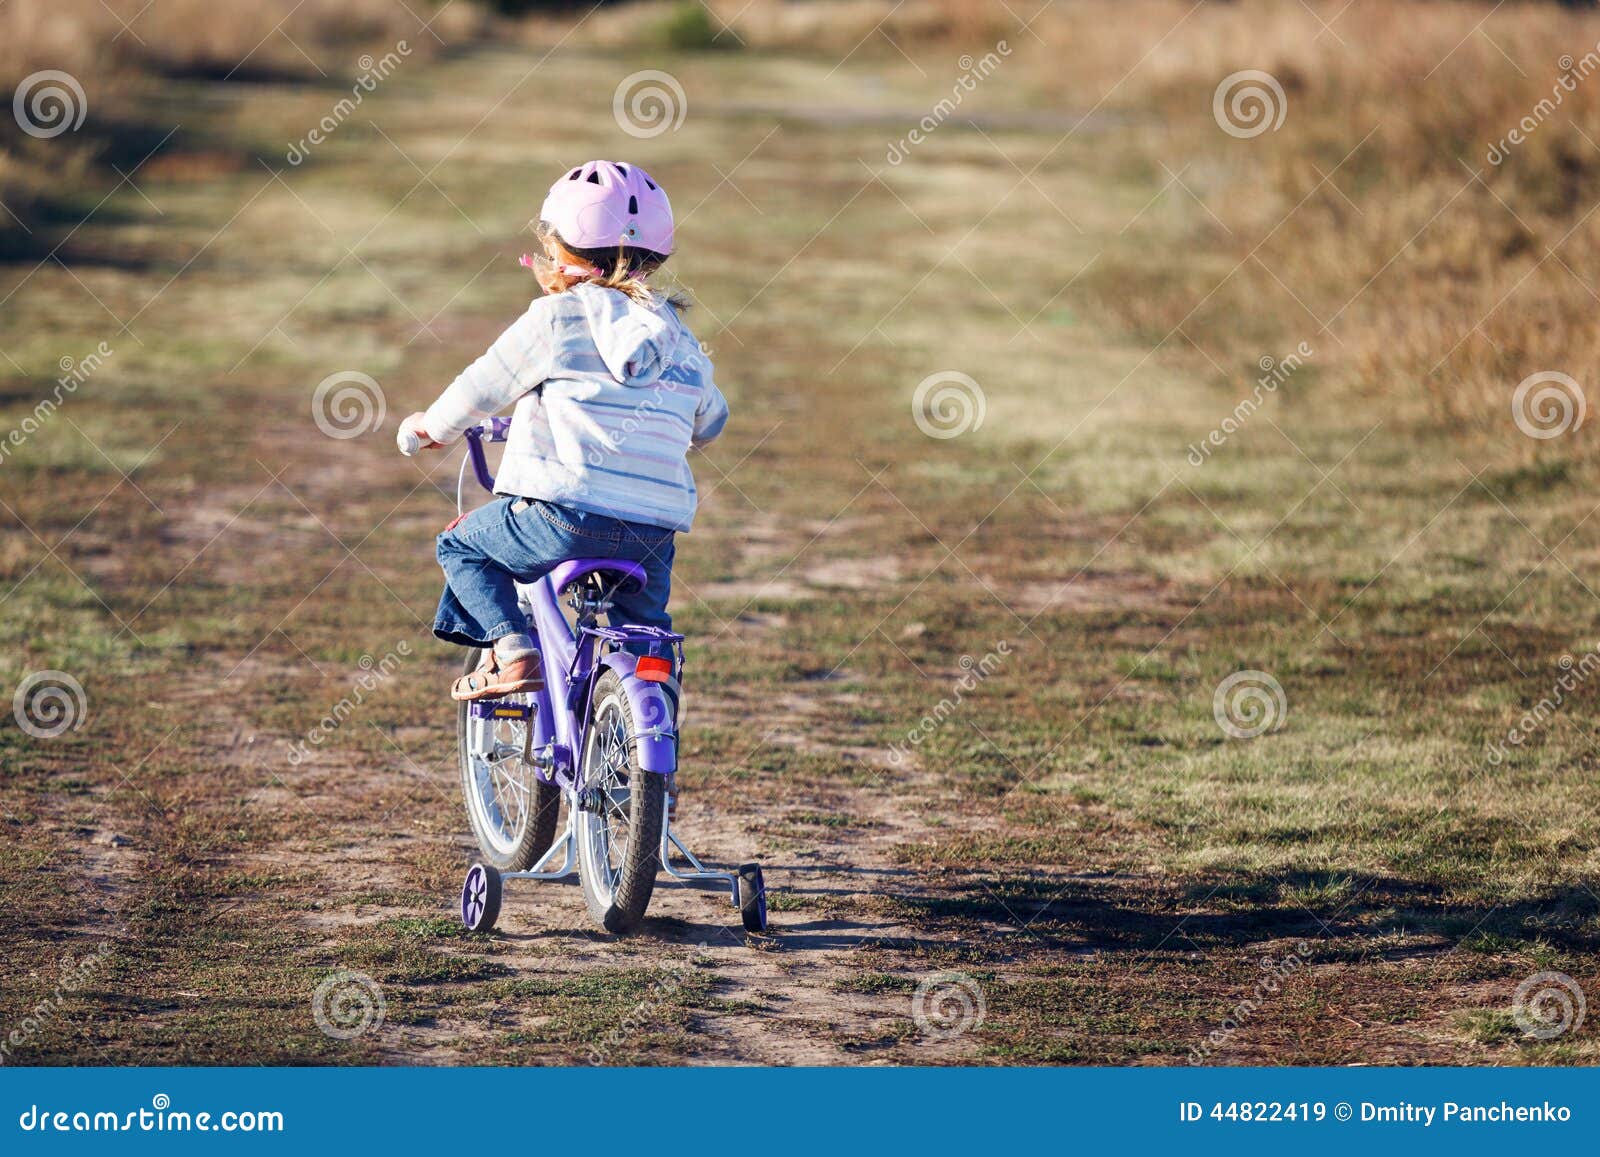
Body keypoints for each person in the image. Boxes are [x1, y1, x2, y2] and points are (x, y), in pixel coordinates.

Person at [401, 160, 727, 700]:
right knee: (643, 632)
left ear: (560, 250)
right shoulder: (677, 338)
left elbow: (482, 386)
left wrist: (430, 427)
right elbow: (711, 420)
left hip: (565, 514)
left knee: (461, 546)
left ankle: (513, 653)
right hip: (653, 528)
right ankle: (650, 719)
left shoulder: (557, 318)